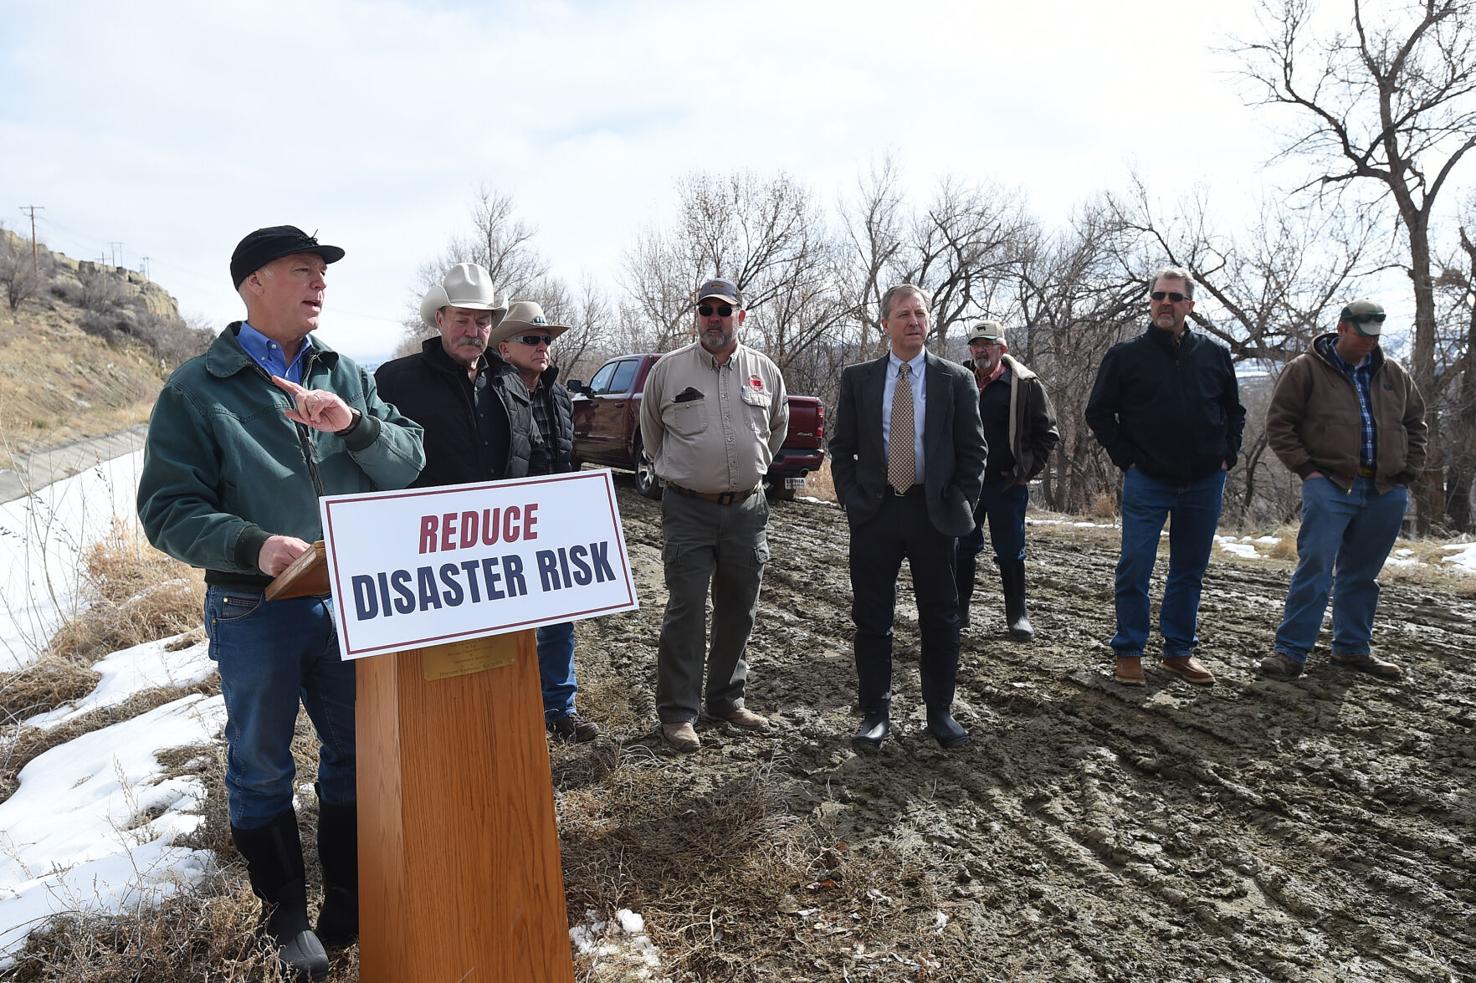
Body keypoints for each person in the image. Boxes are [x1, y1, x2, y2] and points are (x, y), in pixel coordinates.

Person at [137, 226, 425, 979]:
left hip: (352, 598)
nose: (319, 285)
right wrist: (251, 543)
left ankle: (352, 904)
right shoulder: (198, 388)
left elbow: (407, 462)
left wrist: (354, 424)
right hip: (253, 607)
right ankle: (286, 916)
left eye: (323, 275)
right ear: (253, 283)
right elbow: (168, 509)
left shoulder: (344, 374)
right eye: (303, 271)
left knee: (357, 752)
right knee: (261, 764)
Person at [375, 274, 601, 741]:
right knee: (441, 663)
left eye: (482, 321)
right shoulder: (396, 381)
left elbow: (532, 454)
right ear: (440, 319)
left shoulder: (508, 383)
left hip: (501, 548)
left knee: (502, 656)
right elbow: (377, 461)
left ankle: (512, 731)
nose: (472, 330)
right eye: (462, 318)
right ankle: (438, 740)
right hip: (429, 553)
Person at [830, 284, 987, 752]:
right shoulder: (858, 378)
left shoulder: (955, 379)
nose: (914, 321)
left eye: (920, 313)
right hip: (875, 513)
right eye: (903, 314)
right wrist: (852, 500)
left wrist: (958, 503)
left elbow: (974, 452)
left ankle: (939, 713)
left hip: (932, 513)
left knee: (941, 618)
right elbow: (842, 448)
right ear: (886, 323)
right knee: (872, 618)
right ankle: (874, 716)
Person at [638, 277, 788, 753]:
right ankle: (679, 713)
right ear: (696, 316)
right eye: (706, 310)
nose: (715, 319)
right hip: (687, 509)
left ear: (740, 316)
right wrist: (688, 473)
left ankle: (725, 700)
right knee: (686, 609)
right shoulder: (668, 370)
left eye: (724, 310)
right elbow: (651, 434)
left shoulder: (765, 371)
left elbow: (776, 429)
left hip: (747, 509)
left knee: (739, 607)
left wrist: (747, 471)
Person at [1085, 266, 1245, 688]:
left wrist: (1227, 454)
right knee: (1136, 565)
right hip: (1148, 479)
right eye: (1159, 297)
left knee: (1189, 568)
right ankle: (1129, 650)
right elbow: (1098, 412)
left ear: (1190, 305)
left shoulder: (1214, 353)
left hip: (1205, 480)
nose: (1166, 304)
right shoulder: (1125, 356)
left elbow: (1234, 410)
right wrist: (1128, 459)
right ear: (1151, 303)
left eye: (1175, 297)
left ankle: (1178, 652)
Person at [1260, 300, 1427, 681]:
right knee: (1316, 565)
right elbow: (1279, 424)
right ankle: (1290, 653)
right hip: (1330, 484)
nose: (1369, 342)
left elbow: (1416, 424)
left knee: (1362, 574)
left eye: (1375, 336)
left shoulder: (1394, 374)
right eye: (1362, 335)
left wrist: (1407, 473)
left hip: (1384, 489)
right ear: (1342, 329)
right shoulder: (1305, 370)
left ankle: (1352, 649)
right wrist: (1307, 470)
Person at [955, 320, 1060, 640]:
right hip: (965, 484)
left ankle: (1017, 615)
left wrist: (1023, 472)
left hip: (1006, 484)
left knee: (1011, 551)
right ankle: (959, 612)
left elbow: (1048, 433)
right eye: (976, 345)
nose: (981, 350)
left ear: (1003, 348)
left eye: (988, 344)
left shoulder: (1024, 384)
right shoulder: (959, 381)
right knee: (961, 548)